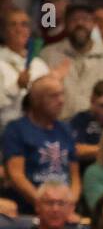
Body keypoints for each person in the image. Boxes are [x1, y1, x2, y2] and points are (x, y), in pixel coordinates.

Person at [41, 1, 103, 121]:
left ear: (94, 24)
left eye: (85, 19)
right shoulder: (48, 54)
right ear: (66, 23)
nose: (80, 23)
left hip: (98, 129)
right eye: (74, 19)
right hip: (57, 128)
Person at [3, 77, 80, 214]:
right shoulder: (16, 129)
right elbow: (16, 176)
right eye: (54, 96)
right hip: (28, 212)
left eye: (62, 94)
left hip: (63, 211)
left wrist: (68, 206)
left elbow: (74, 176)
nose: (61, 100)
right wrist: (47, 206)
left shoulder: (66, 129)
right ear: (36, 100)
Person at [0, 7, 51, 130]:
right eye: (13, 25)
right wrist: (16, 86)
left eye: (24, 25)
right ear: (3, 31)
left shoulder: (39, 65)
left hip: (37, 132)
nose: (19, 29)